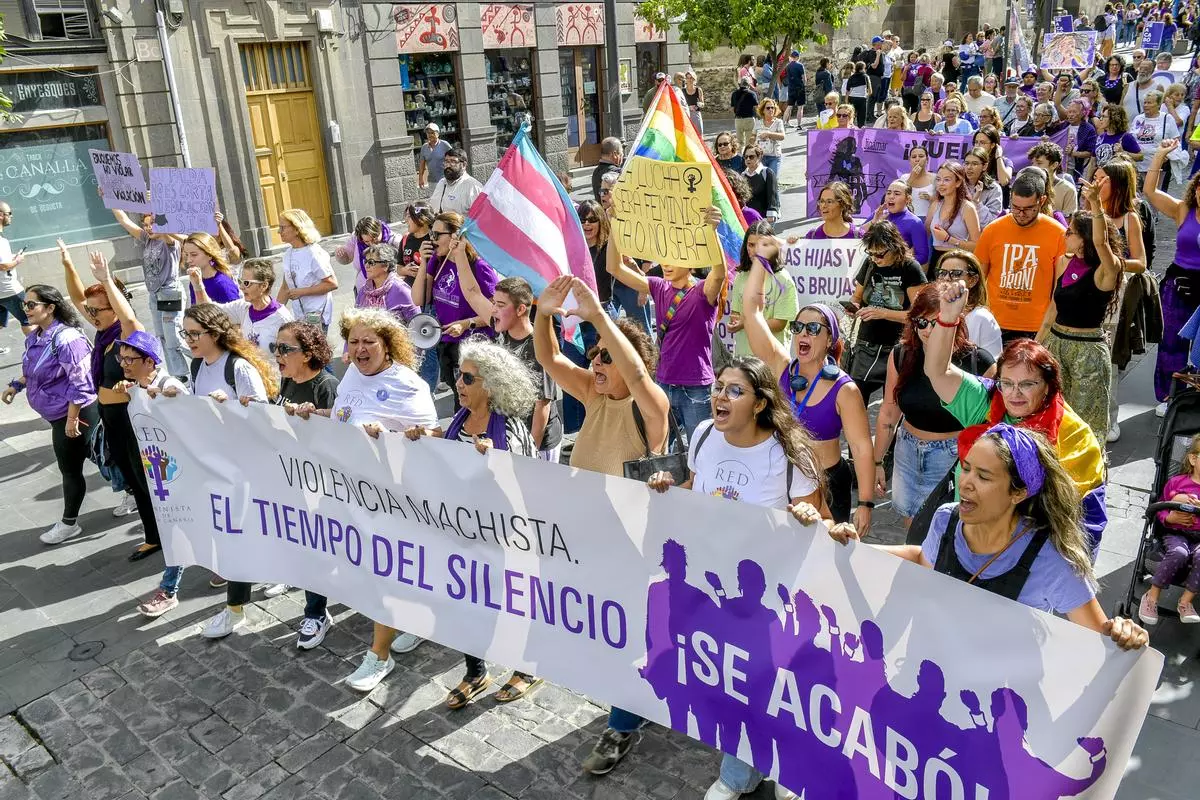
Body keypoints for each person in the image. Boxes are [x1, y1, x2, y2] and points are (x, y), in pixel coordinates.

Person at [646, 356, 829, 800]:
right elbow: (698, 493)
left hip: (769, 598)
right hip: (715, 590)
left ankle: (762, 773)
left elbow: (821, 525)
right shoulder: (706, 436)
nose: (719, 397)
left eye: (734, 391)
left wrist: (808, 515)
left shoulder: (789, 457)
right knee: (735, 687)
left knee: (768, 685)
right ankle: (758, 770)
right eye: (718, 387)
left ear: (761, 403)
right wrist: (670, 490)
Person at [825, 425, 1146, 651]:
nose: (965, 483)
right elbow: (925, 559)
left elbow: (1099, 636)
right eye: (966, 469)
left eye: (984, 476)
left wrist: (1122, 634)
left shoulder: (1050, 560)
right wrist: (854, 548)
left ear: (1018, 493)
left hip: (994, 709)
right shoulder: (946, 519)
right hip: (931, 677)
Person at [300, 308, 437, 687]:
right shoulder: (351, 378)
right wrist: (316, 414)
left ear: (387, 345)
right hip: (350, 493)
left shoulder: (408, 384)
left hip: (393, 500)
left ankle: (379, 657)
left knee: (386, 573)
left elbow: (432, 439)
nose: (360, 349)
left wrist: (390, 439)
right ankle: (416, 620)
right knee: (376, 571)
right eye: (354, 341)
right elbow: (347, 417)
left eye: (369, 342)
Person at [404, 339, 542, 707]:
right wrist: (422, 437)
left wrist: (496, 462)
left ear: (491, 385)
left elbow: (526, 487)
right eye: (457, 376)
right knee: (465, 603)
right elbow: (446, 453)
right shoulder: (460, 419)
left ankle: (525, 666)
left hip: (505, 539)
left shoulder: (509, 428)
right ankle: (475, 671)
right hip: (463, 535)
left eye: (467, 378)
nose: (459, 384)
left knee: (511, 604)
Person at [925, 280, 1108, 547]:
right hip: (967, 538)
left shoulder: (1074, 435)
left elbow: (1077, 515)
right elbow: (937, 371)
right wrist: (948, 319)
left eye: (1027, 384)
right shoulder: (987, 402)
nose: (1014, 394)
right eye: (1007, 383)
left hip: (1026, 552)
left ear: (1048, 387)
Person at [741, 250, 875, 528]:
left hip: (827, 482)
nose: (803, 333)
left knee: (824, 559)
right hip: (782, 477)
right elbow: (751, 312)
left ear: (829, 340)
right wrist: (760, 262)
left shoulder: (843, 389)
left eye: (814, 328)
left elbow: (861, 448)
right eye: (799, 327)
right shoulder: (781, 367)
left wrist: (865, 503)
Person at [73, 250, 173, 559]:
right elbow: (78, 299)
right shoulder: (102, 336)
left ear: (114, 308)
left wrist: (105, 279)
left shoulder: (126, 335)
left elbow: (127, 316)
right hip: (110, 416)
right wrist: (67, 263)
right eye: (89, 311)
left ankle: (170, 533)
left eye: (98, 310)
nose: (91, 315)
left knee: (146, 479)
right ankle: (153, 535)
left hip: (131, 417)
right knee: (132, 478)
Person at [874, 284, 996, 527]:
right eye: (921, 322)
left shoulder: (978, 361)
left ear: (954, 320)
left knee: (947, 526)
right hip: (907, 450)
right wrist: (877, 462)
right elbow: (888, 413)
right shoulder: (901, 355)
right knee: (913, 523)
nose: (928, 330)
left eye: (936, 322)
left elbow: (991, 426)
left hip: (953, 455)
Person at [607, 209, 726, 440]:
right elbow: (614, 268)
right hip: (663, 382)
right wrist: (614, 226)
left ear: (691, 261)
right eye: (664, 259)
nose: (666, 265)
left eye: (674, 259)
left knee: (698, 449)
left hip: (696, 387)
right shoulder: (659, 286)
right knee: (660, 450)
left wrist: (711, 233)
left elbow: (719, 274)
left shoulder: (702, 291)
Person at [2, 285, 98, 545]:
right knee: (101, 459)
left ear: (51, 307)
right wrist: (16, 385)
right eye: (25, 305)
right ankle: (133, 491)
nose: (26, 309)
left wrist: (71, 419)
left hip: (76, 413)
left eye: (31, 305)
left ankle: (69, 524)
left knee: (73, 467)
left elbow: (81, 384)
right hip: (60, 415)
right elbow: (34, 369)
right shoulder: (36, 337)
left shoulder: (67, 340)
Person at [1037, 207, 1125, 444]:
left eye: (1070, 232)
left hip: (1087, 351)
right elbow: (1052, 310)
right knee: (1053, 414)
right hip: (1056, 343)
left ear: (1084, 238)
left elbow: (1101, 241)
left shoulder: (1107, 270)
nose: (1065, 236)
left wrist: (1096, 205)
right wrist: (1035, 345)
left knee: (1085, 420)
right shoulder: (1065, 262)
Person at [122, 335, 190, 618]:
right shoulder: (138, 387)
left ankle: (168, 590)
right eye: (121, 359)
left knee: (178, 530)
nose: (124, 365)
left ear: (150, 361)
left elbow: (190, 415)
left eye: (130, 360)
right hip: (162, 474)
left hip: (185, 474)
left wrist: (170, 398)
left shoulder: (169, 386)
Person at [412, 212, 500, 405]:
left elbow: (496, 314)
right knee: (458, 395)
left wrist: (467, 324)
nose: (432, 240)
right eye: (431, 235)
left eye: (436, 235)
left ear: (455, 236)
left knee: (474, 401)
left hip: (472, 344)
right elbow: (419, 298)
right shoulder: (437, 260)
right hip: (447, 343)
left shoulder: (478, 267)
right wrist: (424, 264)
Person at [974, 170, 1068, 343]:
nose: (1021, 213)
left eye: (1028, 209)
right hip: (994, 321)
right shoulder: (993, 230)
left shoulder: (1058, 233)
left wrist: (1048, 326)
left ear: (1042, 201)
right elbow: (978, 278)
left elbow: (1059, 289)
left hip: (1036, 326)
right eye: (1015, 207)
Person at [845, 222, 928, 404]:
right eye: (871, 253)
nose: (875, 258)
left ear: (894, 246)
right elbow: (857, 296)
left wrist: (883, 313)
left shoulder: (910, 268)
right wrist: (853, 307)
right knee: (856, 398)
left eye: (880, 253)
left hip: (898, 345)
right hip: (867, 343)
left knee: (892, 402)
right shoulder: (869, 263)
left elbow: (920, 315)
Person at [1146, 139, 1200, 413]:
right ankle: (1169, 395)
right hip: (1178, 283)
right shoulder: (1183, 210)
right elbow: (1150, 190)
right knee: (1171, 342)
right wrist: (1160, 155)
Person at [104, 203, 186, 376]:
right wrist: (110, 199)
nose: (148, 228)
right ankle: (174, 373)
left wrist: (155, 203)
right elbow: (124, 220)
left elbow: (171, 230)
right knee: (162, 336)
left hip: (169, 292)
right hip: (155, 294)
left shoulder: (169, 241)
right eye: (146, 224)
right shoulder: (147, 239)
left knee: (172, 335)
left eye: (152, 224)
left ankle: (183, 374)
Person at [492, 276, 563, 462]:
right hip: (512, 434)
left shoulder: (540, 348)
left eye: (500, 305)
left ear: (521, 309)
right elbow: (472, 293)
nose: (494, 310)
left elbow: (543, 406)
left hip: (537, 442)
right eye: (494, 303)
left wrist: (530, 450)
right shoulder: (502, 334)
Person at [1141, 432, 1200, 624]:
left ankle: (1185, 602)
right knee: (1179, 553)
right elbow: (1160, 508)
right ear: (1193, 458)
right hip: (1176, 533)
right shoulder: (1177, 482)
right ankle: (1151, 596)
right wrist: (1171, 516)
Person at [190, 258, 293, 357]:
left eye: (247, 283)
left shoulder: (282, 318)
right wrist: (197, 284)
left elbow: (293, 356)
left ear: (264, 286)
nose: (241, 287)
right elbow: (210, 310)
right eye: (240, 281)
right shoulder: (242, 307)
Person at [730, 222, 798, 357]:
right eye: (751, 245)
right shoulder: (741, 276)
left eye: (761, 245)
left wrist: (746, 322)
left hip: (772, 359)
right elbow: (735, 312)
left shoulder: (783, 279)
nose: (755, 250)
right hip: (744, 357)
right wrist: (735, 322)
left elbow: (780, 323)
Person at [277, 208, 337, 331]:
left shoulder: (314, 253)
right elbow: (285, 287)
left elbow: (331, 284)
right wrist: (274, 312)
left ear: (297, 229)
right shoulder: (288, 254)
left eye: (283, 227)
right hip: (299, 316)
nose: (279, 231)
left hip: (316, 316)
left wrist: (301, 292)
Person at [936, 249, 1003, 358]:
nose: (947, 278)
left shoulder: (982, 318)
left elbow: (992, 368)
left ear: (973, 280)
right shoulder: (930, 311)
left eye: (956, 273)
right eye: (942, 273)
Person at [867, 180, 931, 268]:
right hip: (873, 270)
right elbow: (857, 236)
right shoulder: (878, 215)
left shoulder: (915, 222)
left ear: (908, 199)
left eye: (897, 194)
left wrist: (896, 261)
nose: (891, 197)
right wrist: (874, 222)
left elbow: (923, 257)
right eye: (888, 193)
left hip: (898, 275)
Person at [926, 162, 981, 265]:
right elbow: (925, 233)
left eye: (946, 179)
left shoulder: (968, 207)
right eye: (938, 179)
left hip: (957, 260)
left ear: (958, 182)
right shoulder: (935, 205)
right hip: (935, 259)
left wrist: (948, 239)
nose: (941, 183)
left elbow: (976, 245)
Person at [334, 216, 404, 293]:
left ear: (380, 230)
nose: (371, 244)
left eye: (375, 239)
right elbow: (346, 258)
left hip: (388, 292)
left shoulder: (394, 240)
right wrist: (340, 253)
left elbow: (403, 265)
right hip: (362, 292)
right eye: (367, 241)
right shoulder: (357, 239)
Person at [354, 243, 420, 324]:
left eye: (371, 262)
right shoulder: (364, 291)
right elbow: (355, 320)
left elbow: (417, 324)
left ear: (386, 266)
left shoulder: (402, 291)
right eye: (366, 261)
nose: (366, 266)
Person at [1132, 90, 1181, 188]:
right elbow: (1131, 138)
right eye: (1145, 102)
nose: (1145, 105)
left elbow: (1176, 141)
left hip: (1158, 166)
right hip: (1138, 165)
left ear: (1158, 104)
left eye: (1149, 103)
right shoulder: (1138, 118)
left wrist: (1168, 154)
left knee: (1154, 196)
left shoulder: (1167, 118)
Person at [182, 232, 240, 306]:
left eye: (194, 255)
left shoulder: (223, 284)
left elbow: (236, 314)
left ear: (209, 255)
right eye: (187, 255)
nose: (188, 260)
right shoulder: (195, 280)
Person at [1027, 141, 1079, 215]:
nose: (1034, 167)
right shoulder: (1027, 186)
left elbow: (1069, 221)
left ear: (1054, 165)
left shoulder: (1068, 189)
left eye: (1039, 163)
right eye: (1032, 163)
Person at [429, 147, 483, 215]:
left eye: (453, 161)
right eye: (446, 161)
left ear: (464, 165)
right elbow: (433, 207)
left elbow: (481, 217)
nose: (448, 165)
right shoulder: (441, 183)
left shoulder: (473, 186)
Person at [963, 147, 1004, 226]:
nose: (969, 167)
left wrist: (976, 203)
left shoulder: (994, 189)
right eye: (966, 163)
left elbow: (992, 223)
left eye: (974, 164)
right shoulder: (958, 184)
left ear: (984, 166)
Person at [1062, 99, 1099, 182]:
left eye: (1074, 112)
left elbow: (1090, 152)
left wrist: (1074, 153)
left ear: (1083, 113)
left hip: (1077, 169)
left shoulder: (1089, 129)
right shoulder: (1063, 125)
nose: (1071, 115)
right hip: (1061, 167)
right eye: (1069, 111)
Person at [397, 204, 434, 285]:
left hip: (429, 291)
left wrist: (422, 272)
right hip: (409, 291)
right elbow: (399, 267)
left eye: (409, 216)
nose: (406, 220)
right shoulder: (405, 239)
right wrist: (405, 270)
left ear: (421, 218)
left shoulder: (435, 239)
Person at [742, 145, 779, 222]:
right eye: (746, 157)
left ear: (759, 157)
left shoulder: (767, 172)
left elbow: (772, 194)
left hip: (764, 218)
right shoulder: (743, 175)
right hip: (748, 218)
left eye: (751, 157)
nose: (748, 159)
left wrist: (771, 213)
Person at [902, 144, 936, 218]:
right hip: (907, 218)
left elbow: (943, 201)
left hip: (929, 219)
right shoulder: (904, 178)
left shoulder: (935, 178)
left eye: (921, 156)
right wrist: (911, 178)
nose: (917, 159)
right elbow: (898, 195)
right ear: (909, 160)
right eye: (914, 157)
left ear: (927, 160)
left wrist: (931, 198)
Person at [754, 98, 786, 177]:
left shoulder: (778, 122)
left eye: (773, 108)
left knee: (773, 180)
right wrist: (753, 142)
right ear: (763, 110)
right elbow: (753, 136)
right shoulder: (758, 123)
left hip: (774, 156)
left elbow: (782, 136)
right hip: (761, 157)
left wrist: (769, 134)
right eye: (768, 108)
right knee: (761, 180)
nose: (771, 110)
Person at [417, 122, 453, 191]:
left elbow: (454, 158)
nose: (430, 135)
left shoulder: (445, 144)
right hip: (432, 181)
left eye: (432, 133)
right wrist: (420, 178)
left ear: (438, 133)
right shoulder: (424, 147)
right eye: (428, 133)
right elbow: (422, 164)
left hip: (445, 180)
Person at [730, 76, 759, 148]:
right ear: (748, 84)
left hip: (738, 119)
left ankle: (740, 156)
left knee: (739, 142)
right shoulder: (752, 94)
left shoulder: (734, 94)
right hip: (749, 119)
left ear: (740, 84)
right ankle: (748, 156)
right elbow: (756, 107)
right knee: (749, 142)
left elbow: (732, 108)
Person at [780, 51, 806, 128]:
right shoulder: (800, 65)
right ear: (797, 57)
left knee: (789, 107)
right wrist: (804, 85)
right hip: (799, 88)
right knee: (800, 107)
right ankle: (799, 125)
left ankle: (783, 124)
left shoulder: (787, 66)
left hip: (791, 88)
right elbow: (804, 78)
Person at [847, 61, 871, 127]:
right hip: (862, 98)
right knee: (861, 119)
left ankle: (849, 130)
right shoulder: (866, 77)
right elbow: (870, 91)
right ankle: (860, 134)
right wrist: (865, 95)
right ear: (863, 68)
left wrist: (846, 100)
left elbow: (848, 90)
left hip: (852, 98)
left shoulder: (851, 77)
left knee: (851, 117)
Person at [683, 70, 706, 135]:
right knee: (687, 134)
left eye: (691, 78)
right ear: (685, 80)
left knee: (699, 134)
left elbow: (702, 104)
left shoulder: (698, 90)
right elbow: (680, 104)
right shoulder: (682, 91)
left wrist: (699, 104)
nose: (689, 80)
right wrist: (688, 107)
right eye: (688, 78)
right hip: (686, 115)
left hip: (696, 114)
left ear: (694, 79)